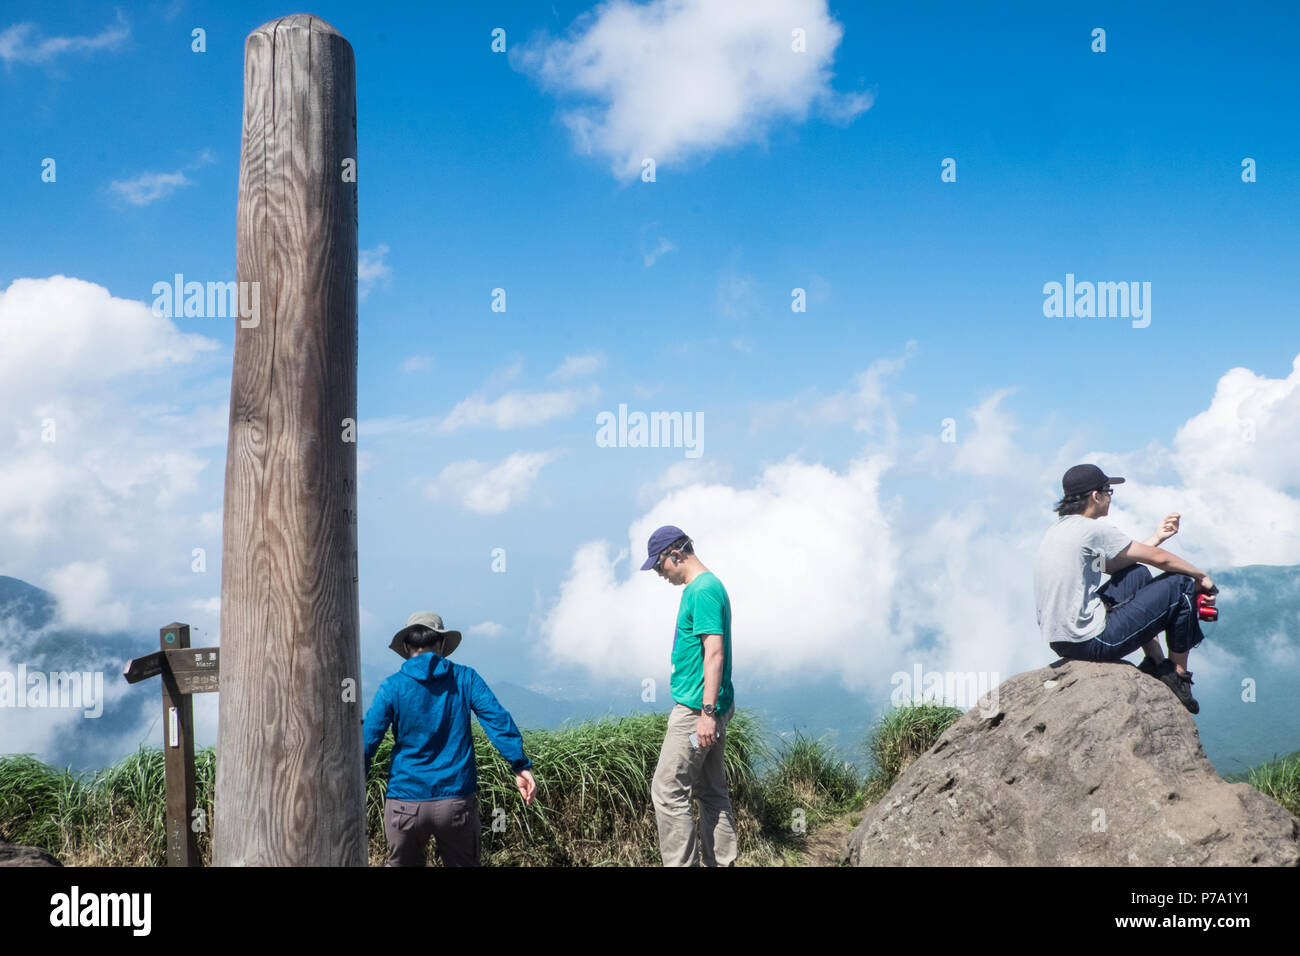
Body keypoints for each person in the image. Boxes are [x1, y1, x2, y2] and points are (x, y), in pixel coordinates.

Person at [1033, 464, 1217, 713]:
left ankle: (1155, 662)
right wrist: (1201, 576)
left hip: (1062, 640)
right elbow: (1159, 559)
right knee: (1182, 584)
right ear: (1095, 496)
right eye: (1108, 491)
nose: (1110, 497)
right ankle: (1178, 677)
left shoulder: (1060, 530)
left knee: (1136, 573)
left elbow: (1111, 565)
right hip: (1091, 640)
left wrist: (1157, 537)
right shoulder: (1092, 529)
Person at [363, 611, 537, 866]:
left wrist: (356, 782)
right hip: (456, 801)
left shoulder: (392, 686)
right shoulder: (466, 678)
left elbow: (369, 738)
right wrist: (520, 765)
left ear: (406, 646)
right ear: (442, 645)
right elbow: (497, 720)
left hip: (405, 802)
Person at [641, 525, 737, 866]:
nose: (658, 573)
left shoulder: (703, 590)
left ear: (675, 554)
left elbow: (714, 652)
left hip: (697, 710)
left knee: (667, 791)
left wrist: (706, 714)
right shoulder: (703, 587)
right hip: (709, 705)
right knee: (711, 792)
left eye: (658, 565)